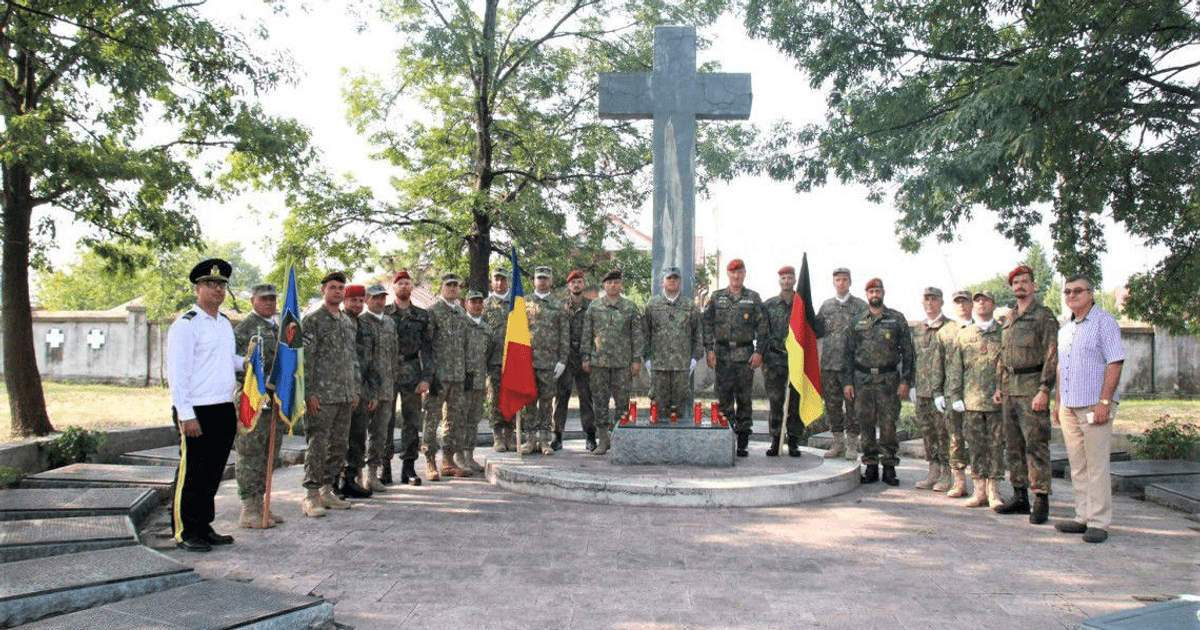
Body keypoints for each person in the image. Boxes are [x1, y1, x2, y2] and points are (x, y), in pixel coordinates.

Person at [167, 258, 242, 551]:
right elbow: (177, 373)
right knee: (192, 472)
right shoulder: (186, 325)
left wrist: (250, 362)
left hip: (223, 406)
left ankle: (203, 523)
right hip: (196, 409)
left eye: (222, 285)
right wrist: (186, 414)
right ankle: (185, 530)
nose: (217, 290)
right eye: (210, 284)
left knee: (213, 471)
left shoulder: (223, 323)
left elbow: (226, 361)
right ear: (197, 289)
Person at [1054, 274, 1125, 544]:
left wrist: (1105, 401)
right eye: (1067, 292)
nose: (1071, 296)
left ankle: (1099, 521)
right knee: (1078, 465)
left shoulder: (1104, 322)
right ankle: (1082, 516)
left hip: (1094, 405)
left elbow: (1115, 361)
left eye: (1078, 291)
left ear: (1091, 294)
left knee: (1096, 466)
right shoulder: (1065, 329)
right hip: (1069, 406)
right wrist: (1058, 401)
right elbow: (1062, 367)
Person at [994, 265, 1059, 524]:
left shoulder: (1043, 316)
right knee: (1013, 446)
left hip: (1032, 387)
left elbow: (1051, 354)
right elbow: (1003, 356)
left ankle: (1041, 499)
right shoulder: (1009, 317)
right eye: (1016, 282)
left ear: (1033, 286)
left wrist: (1045, 389)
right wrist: (1000, 386)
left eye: (1024, 282)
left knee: (1036, 445)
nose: (1019, 286)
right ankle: (1020, 496)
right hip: (1010, 389)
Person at [843, 278, 913, 485]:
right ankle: (871, 466)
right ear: (867, 294)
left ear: (883, 293)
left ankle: (889, 467)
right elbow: (848, 354)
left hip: (888, 380)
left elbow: (908, 353)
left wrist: (906, 381)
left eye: (878, 291)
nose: (875, 294)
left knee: (889, 424)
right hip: (862, 380)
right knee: (865, 424)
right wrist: (848, 382)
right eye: (871, 291)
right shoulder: (857, 321)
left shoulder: (896, 319)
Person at [300, 271, 360, 516]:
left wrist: (355, 389)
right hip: (322, 397)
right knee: (318, 445)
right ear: (323, 289)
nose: (337, 291)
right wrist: (310, 393)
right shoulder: (313, 319)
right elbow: (306, 360)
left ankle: (327, 490)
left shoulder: (346, 321)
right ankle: (311, 495)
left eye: (340, 287)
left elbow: (353, 359)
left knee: (339, 446)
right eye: (332, 287)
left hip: (345, 395)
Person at [233, 283, 286, 529]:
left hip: (275, 402)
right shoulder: (245, 328)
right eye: (264, 299)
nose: (269, 303)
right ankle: (249, 507)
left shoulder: (279, 328)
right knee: (250, 453)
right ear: (252, 300)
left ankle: (261, 502)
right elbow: (235, 363)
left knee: (269, 453)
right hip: (253, 400)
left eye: (273, 299)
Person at [946, 290, 1005, 508]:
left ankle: (994, 492)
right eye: (977, 300)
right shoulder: (964, 334)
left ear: (993, 305)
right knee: (977, 447)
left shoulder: (1003, 333)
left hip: (996, 402)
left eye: (985, 300)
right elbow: (956, 368)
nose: (981, 304)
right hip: (971, 402)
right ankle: (979, 490)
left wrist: (1003, 389)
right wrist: (956, 395)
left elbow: (1007, 366)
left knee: (996, 447)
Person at [703, 259, 767, 457]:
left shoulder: (753, 298)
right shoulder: (716, 297)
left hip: (744, 355)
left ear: (744, 274)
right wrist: (709, 349)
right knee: (723, 398)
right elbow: (707, 324)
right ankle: (726, 437)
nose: (736, 276)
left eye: (739, 273)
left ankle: (743, 441)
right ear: (728, 275)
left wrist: (759, 352)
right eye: (733, 273)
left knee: (744, 399)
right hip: (721, 354)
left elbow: (763, 328)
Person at [582, 269, 642, 455]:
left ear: (620, 285)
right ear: (604, 285)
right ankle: (603, 440)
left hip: (622, 364)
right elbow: (587, 333)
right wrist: (585, 356)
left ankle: (619, 439)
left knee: (622, 403)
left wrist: (636, 359)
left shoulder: (630, 307)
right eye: (609, 283)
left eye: (616, 283)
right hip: (599, 364)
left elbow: (637, 335)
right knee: (600, 402)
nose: (613, 286)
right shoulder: (595, 306)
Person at [385, 270, 433, 484]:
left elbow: (428, 350)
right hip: (387, 370)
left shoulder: (422, 315)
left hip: (412, 371)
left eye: (407, 283)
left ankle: (409, 468)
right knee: (384, 420)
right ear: (393, 288)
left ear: (412, 287)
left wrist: (426, 378)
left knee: (412, 421)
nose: (404, 286)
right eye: (400, 283)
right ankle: (383, 468)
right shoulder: (384, 313)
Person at [815, 267, 868, 461]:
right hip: (829, 364)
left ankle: (852, 444)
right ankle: (837, 442)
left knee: (852, 407)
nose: (841, 283)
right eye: (838, 280)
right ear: (833, 282)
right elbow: (816, 330)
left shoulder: (861, 307)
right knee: (832, 406)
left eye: (845, 279)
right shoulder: (827, 306)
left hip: (852, 367)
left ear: (850, 282)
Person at [425, 273, 472, 477]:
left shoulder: (462, 313)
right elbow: (426, 346)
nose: (453, 288)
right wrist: (429, 375)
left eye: (456, 285)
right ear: (441, 288)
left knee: (454, 420)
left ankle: (448, 460)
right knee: (432, 418)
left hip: (458, 375)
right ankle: (430, 461)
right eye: (449, 285)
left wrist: (468, 372)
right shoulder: (433, 312)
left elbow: (467, 345)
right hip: (439, 376)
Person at [643, 266, 702, 425]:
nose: (672, 281)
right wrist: (647, 359)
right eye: (669, 278)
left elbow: (698, 334)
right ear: (662, 282)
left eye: (675, 278)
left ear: (680, 282)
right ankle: (656, 446)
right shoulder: (652, 305)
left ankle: (681, 447)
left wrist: (695, 359)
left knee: (680, 412)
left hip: (682, 367)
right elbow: (645, 334)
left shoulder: (689, 306)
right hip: (659, 367)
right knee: (658, 412)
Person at [523, 266, 568, 455]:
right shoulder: (523, 303)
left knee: (547, 402)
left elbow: (564, 335)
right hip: (528, 362)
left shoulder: (559, 306)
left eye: (545, 279)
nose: (542, 282)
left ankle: (544, 440)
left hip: (549, 363)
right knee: (529, 402)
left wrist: (562, 360)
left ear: (551, 281)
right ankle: (530, 439)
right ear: (534, 281)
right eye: (538, 278)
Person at [339, 284, 378, 499]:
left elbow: (371, 362)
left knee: (357, 437)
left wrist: (372, 392)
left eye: (360, 300)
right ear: (345, 301)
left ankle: (350, 479)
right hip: (339, 389)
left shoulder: (365, 327)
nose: (357, 304)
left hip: (361, 391)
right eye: (353, 299)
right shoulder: (338, 322)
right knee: (337, 439)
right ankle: (332, 483)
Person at [934, 290, 974, 496]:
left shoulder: (983, 328)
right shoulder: (945, 332)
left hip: (977, 394)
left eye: (965, 302)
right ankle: (959, 482)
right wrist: (937, 392)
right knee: (955, 439)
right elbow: (937, 364)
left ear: (972, 305)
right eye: (957, 302)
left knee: (978, 440)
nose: (961, 306)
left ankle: (982, 485)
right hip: (951, 394)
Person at [761, 265, 803, 457]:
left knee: (795, 402)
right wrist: (761, 356)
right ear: (779, 281)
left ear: (794, 280)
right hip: (775, 359)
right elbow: (762, 332)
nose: (786, 281)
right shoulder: (769, 305)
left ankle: (793, 441)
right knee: (776, 401)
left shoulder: (802, 304)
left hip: (796, 360)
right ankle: (776, 439)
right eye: (783, 278)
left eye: (789, 277)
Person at [912, 287, 951, 488]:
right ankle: (933, 471)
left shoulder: (950, 327)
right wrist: (911, 385)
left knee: (943, 433)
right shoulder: (919, 329)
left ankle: (946, 473)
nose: (930, 303)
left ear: (941, 302)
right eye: (926, 299)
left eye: (934, 299)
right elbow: (912, 359)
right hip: (922, 391)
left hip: (941, 392)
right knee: (927, 433)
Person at [554, 269, 597, 450]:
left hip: (584, 357)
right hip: (565, 357)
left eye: (579, 281)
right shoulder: (560, 306)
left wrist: (591, 356)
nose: (576, 285)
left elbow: (596, 332)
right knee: (561, 398)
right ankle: (557, 436)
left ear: (584, 284)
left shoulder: (592, 307)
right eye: (573, 282)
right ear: (568, 285)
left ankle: (590, 436)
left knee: (586, 398)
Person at [361, 284, 398, 492]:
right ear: (367, 300)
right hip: (365, 388)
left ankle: (372, 475)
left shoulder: (391, 323)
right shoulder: (361, 322)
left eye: (383, 298)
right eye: (375, 298)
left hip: (386, 388)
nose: (380, 302)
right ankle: (354, 475)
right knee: (357, 434)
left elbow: (394, 354)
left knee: (380, 434)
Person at [462, 290, 494, 471]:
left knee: (474, 419)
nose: (477, 305)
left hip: (479, 380)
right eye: (473, 302)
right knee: (460, 418)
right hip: (462, 379)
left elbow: (487, 354)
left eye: (480, 302)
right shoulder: (461, 325)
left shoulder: (487, 329)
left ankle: (469, 456)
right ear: (466, 304)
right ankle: (457, 456)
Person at [483, 268, 515, 451]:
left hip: (512, 359)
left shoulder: (517, 304)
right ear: (491, 281)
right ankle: (498, 436)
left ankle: (510, 435)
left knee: (511, 397)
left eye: (503, 280)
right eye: (497, 280)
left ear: (508, 282)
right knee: (495, 399)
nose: (500, 283)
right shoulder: (486, 305)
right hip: (493, 360)